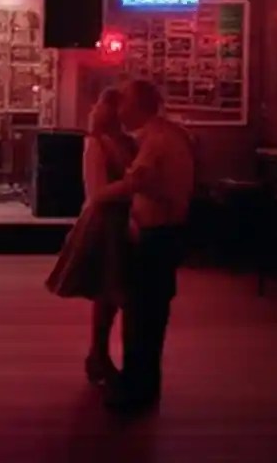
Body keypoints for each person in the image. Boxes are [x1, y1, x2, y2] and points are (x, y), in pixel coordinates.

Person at [89, 79, 195, 414]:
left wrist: (97, 197)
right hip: (167, 233)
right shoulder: (167, 134)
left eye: (125, 104)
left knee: (142, 317)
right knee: (149, 315)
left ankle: (136, 391)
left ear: (138, 107)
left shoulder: (156, 140)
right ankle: (142, 385)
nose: (120, 110)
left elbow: (137, 181)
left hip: (158, 236)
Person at [45, 88, 137, 386]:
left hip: (119, 219)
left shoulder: (123, 141)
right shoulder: (98, 143)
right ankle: (99, 355)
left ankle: (99, 355)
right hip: (107, 221)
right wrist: (133, 184)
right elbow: (96, 193)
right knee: (109, 291)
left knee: (110, 292)